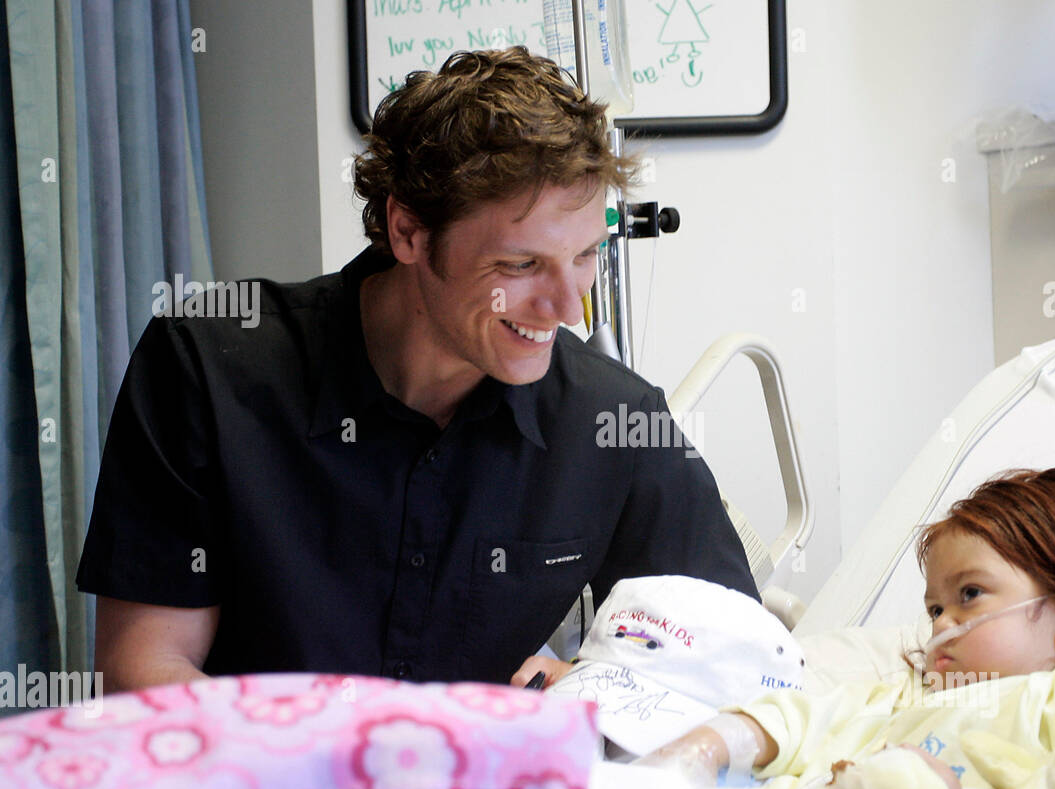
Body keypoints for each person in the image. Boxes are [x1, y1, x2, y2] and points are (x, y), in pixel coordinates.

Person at [76, 47, 758, 694]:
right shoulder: (207, 373)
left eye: (584, 256)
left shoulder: (612, 421)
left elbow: (738, 656)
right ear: (407, 231)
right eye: (520, 264)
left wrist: (593, 682)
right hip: (255, 773)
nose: (567, 308)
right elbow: (142, 668)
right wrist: (327, 757)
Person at [637, 467, 1055, 789]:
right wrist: (705, 746)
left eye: (970, 594)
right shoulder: (901, 695)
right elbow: (795, 720)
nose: (942, 625)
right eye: (934, 609)